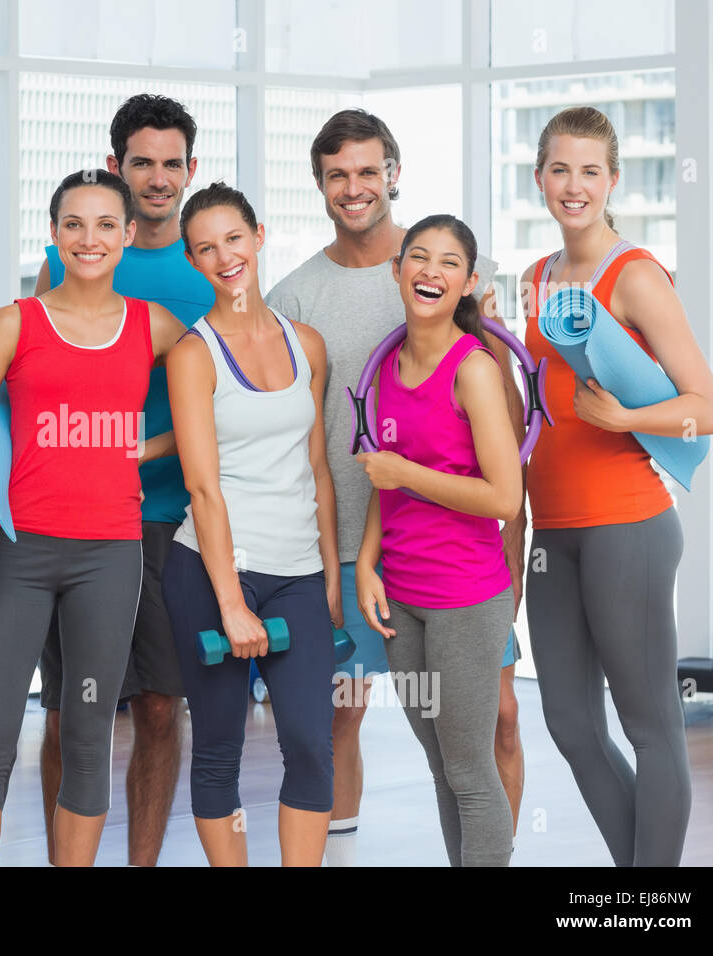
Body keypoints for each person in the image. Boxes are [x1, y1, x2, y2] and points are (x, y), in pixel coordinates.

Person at [265, 109, 527, 864]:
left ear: (394, 174)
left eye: (368, 171)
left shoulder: (464, 332)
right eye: (337, 174)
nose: (354, 187)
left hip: (463, 571)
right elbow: (301, 437)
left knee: (487, 736)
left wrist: (514, 558)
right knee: (361, 723)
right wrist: (351, 560)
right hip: (366, 559)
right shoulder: (300, 301)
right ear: (319, 184)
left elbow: (499, 468)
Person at [0, 169, 185, 867]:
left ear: (128, 236)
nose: (90, 238)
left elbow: (220, 397)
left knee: (89, 734)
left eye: (106, 225)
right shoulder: (17, 323)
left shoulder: (153, 325)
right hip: (20, 555)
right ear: (53, 234)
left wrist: (147, 447)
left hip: (110, 556)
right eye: (75, 224)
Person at [522, 106, 713, 866]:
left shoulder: (634, 274)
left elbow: (710, 410)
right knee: (571, 723)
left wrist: (627, 413)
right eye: (560, 169)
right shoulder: (537, 277)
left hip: (627, 526)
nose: (574, 186)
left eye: (590, 171)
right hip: (556, 530)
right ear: (540, 176)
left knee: (649, 726)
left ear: (613, 181)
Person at [33, 93, 215, 866]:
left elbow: (231, 393)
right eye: (142, 161)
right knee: (70, 715)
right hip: (74, 518)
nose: (158, 177)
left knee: (161, 708)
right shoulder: (71, 257)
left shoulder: (208, 272)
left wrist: (155, 449)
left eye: (172, 163)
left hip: (169, 520)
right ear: (116, 167)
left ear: (191, 170)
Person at [162, 182, 339, 866]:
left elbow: (317, 465)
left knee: (309, 744)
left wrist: (325, 572)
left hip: (299, 572)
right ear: (191, 260)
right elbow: (204, 489)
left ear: (258, 236)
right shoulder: (191, 355)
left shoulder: (309, 345)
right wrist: (232, 604)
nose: (223, 257)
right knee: (218, 749)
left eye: (233, 239)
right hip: (211, 573)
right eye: (205, 248)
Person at [355, 214, 521, 867]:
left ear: (468, 281)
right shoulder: (387, 368)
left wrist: (406, 474)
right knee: (443, 767)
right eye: (418, 257)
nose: (430, 270)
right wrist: (368, 564)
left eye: (448, 262)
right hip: (404, 599)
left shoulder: (472, 370)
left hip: (465, 599)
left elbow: (503, 499)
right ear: (398, 271)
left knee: (471, 773)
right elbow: (381, 480)